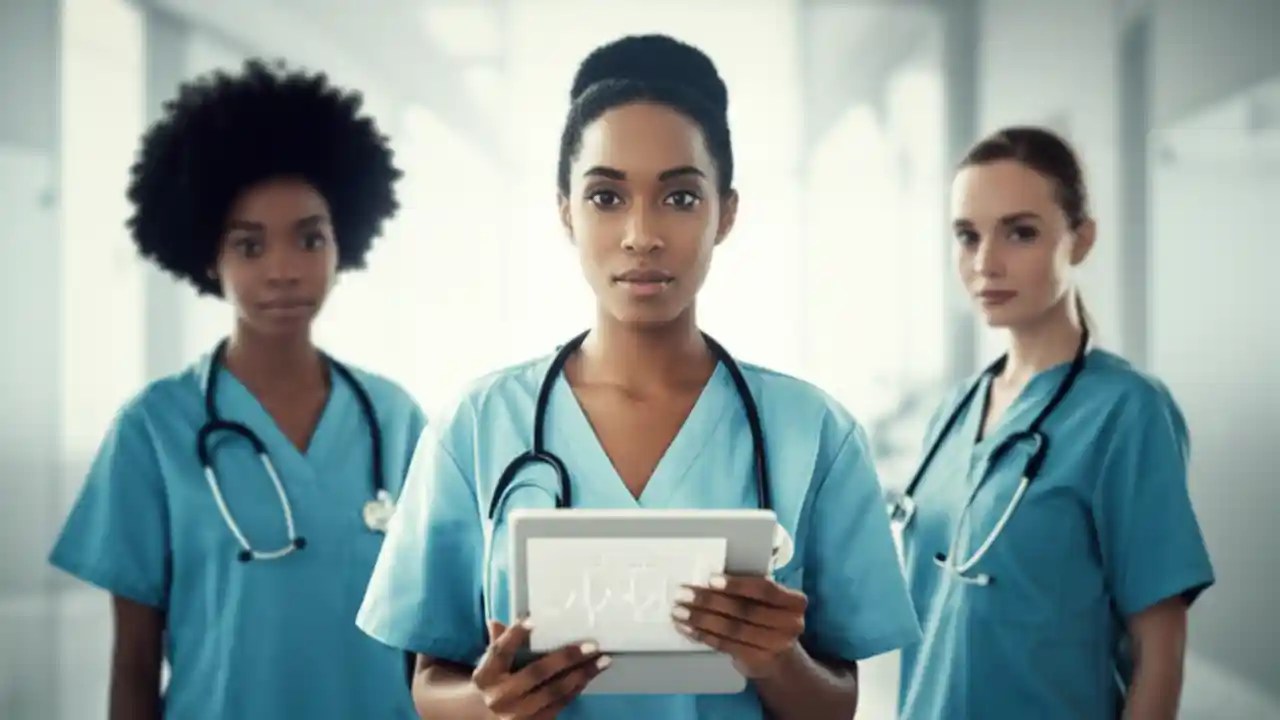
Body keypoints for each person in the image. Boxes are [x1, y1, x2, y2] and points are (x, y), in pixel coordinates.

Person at [355, 34, 920, 720]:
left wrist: (777, 661)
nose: (641, 235)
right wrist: (489, 703)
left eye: (680, 198)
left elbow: (838, 703)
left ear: (727, 214)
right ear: (565, 210)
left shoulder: (817, 436)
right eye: (606, 197)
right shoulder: (474, 427)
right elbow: (429, 683)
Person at [48, 59, 426, 719]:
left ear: (345, 242)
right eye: (249, 247)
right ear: (206, 255)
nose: (283, 270)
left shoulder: (394, 420)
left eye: (309, 239)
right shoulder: (153, 429)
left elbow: (432, 643)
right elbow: (134, 661)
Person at [892, 126, 1215, 720]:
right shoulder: (954, 410)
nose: (986, 262)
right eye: (967, 236)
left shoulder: (1126, 412)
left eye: (1021, 233)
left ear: (1080, 240)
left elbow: (1160, 651)